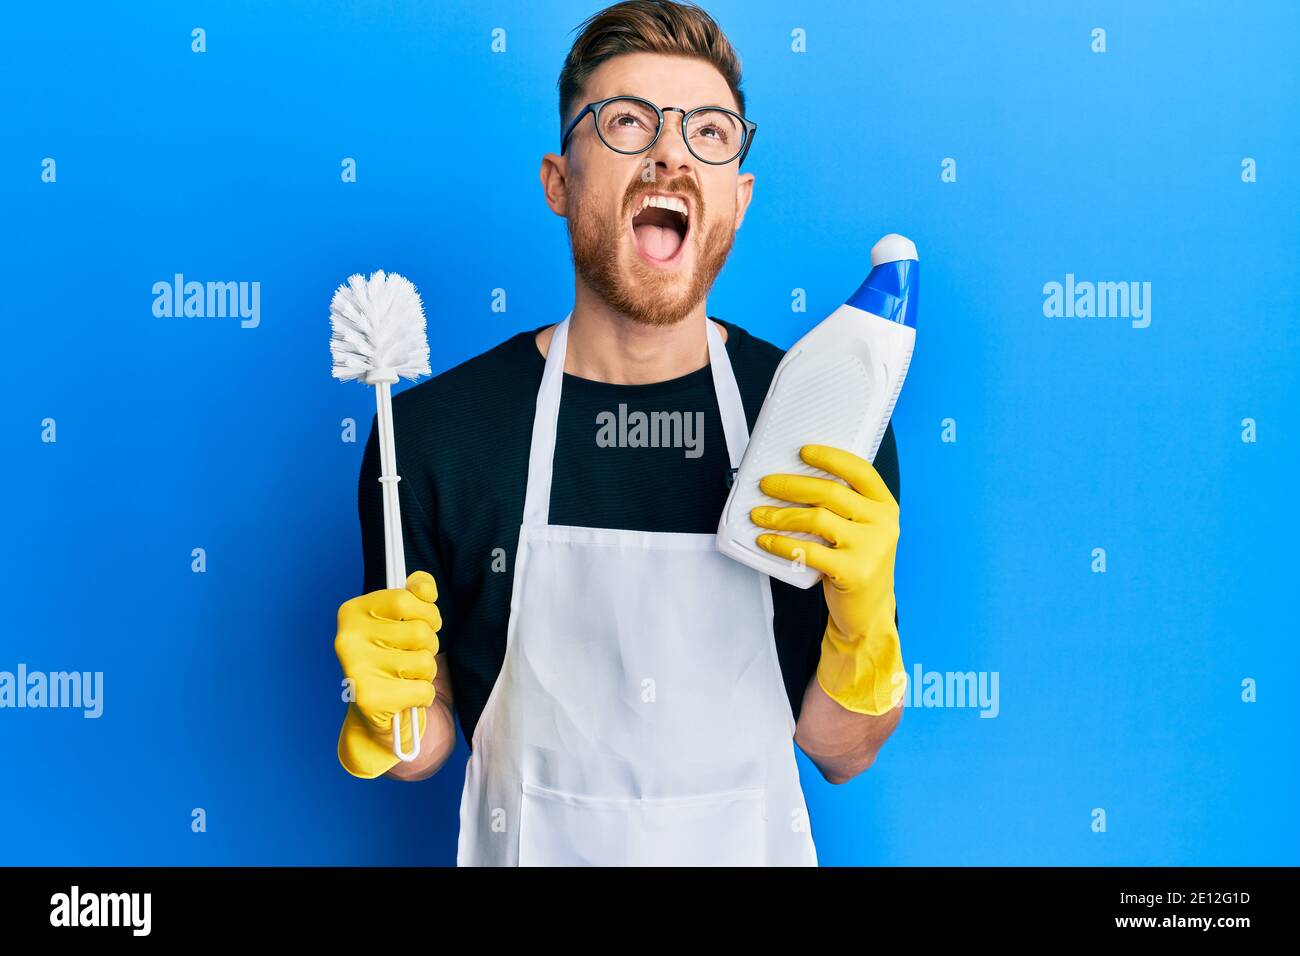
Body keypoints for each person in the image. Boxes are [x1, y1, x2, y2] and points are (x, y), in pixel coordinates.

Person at [333, 0, 906, 866]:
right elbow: (424, 746)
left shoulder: (822, 430)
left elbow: (840, 750)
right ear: (559, 181)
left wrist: (866, 631)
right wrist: (381, 714)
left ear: (738, 197)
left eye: (710, 132)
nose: (672, 151)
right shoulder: (432, 436)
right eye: (628, 121)